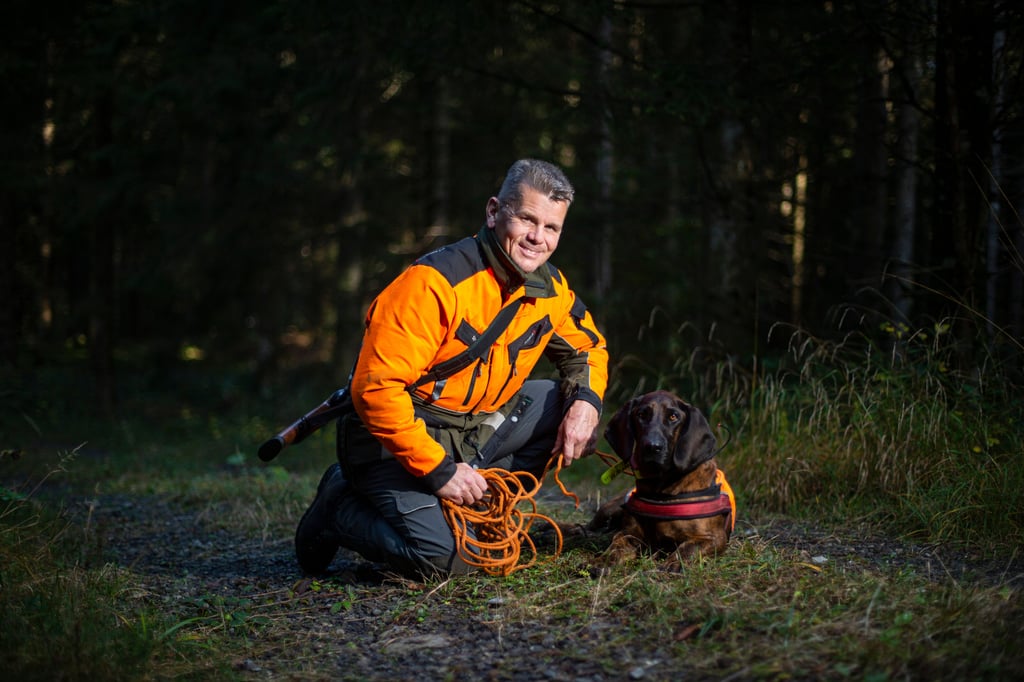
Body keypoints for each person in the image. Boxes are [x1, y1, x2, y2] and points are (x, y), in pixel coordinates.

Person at [295, 159, 609, 578]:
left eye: (551, 228)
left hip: (471, 433)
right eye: (527, 219)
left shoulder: (551, 289)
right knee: (453, 561)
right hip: (391, 442)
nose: (538, 238)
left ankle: (484, 516)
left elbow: (587, 348)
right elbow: (375, 391)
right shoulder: (432, 284)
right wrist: (439, 472)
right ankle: (339, 505)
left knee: (557, 400)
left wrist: (586, 404)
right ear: (495, 211)